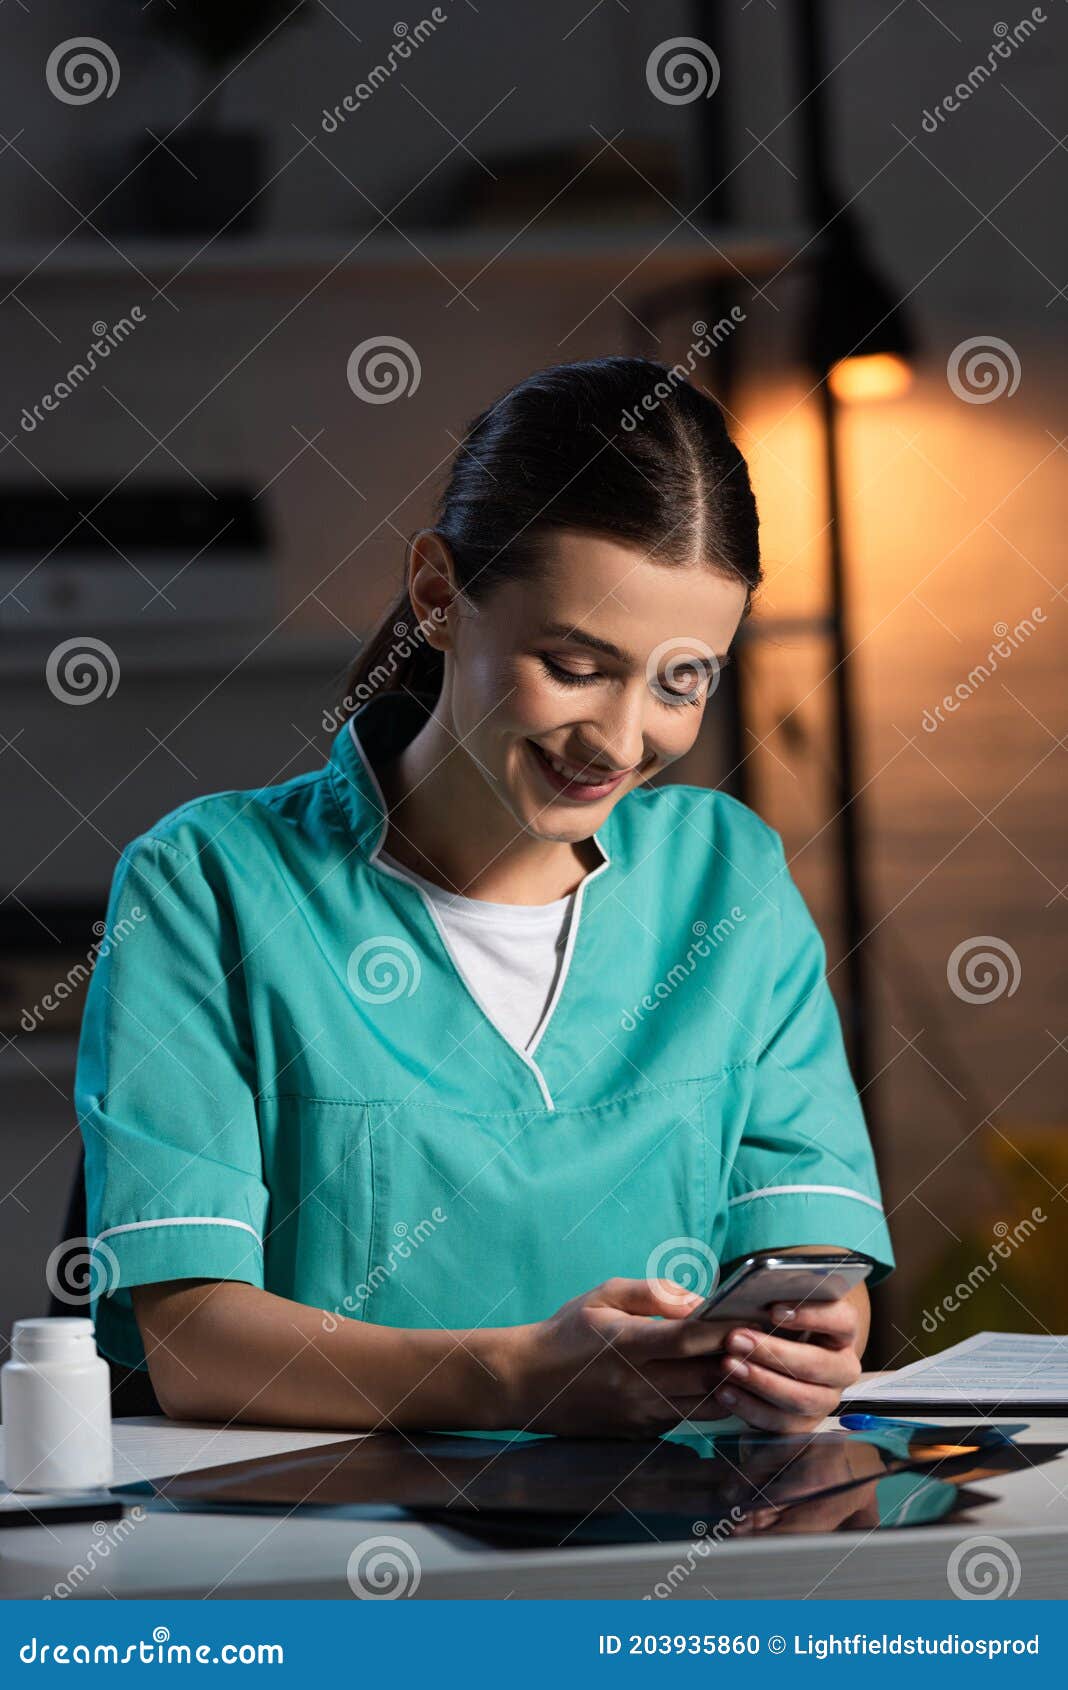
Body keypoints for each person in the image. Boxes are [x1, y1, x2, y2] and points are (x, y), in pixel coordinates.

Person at [76, 357, 894, 1439]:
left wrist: (819, 1335)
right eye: (573, 662)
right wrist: (514, 1379)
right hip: (331, 1556)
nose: (619, 738)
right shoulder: (207, 885)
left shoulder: (728, 878)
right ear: (438, 598)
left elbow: (817, 1262)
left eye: (682, 679)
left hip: (674, 1545)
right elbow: (189, 1342)